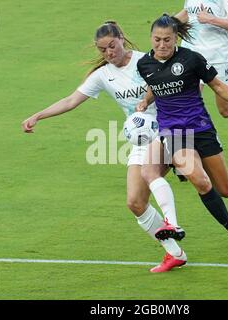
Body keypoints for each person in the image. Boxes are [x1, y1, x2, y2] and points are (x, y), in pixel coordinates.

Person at [21, 21, 186, 273]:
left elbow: (178, 81)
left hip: (168, 129)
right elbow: (70, 101)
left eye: (112, 45)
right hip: (141, 137)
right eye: (103, 49)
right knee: (135, 202)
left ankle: (177, 192)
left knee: (157, 176)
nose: (109, 52)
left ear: (122, 39)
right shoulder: (102, 75)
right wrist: (38, 116)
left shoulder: (145, 61)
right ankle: (175, 253)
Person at [136, 14, 228, 253]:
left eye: (167, 40)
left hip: (201, 127)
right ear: (151, 38)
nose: (162, 45)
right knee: (201, 180)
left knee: (224, 190)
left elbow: (217, 85)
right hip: (174, 132)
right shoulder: (144, 64)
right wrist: (144, 101)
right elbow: (154, 85)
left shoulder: (192, 59)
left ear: (176, 38)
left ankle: (183, 166)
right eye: (157, 39)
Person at [174, 0, 228, 135]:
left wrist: (210, 19)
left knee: (225, 111)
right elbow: (188, 12)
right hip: (191, 55)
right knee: (188, 104)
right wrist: (168, 22)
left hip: (218, 57)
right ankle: (199, 140)